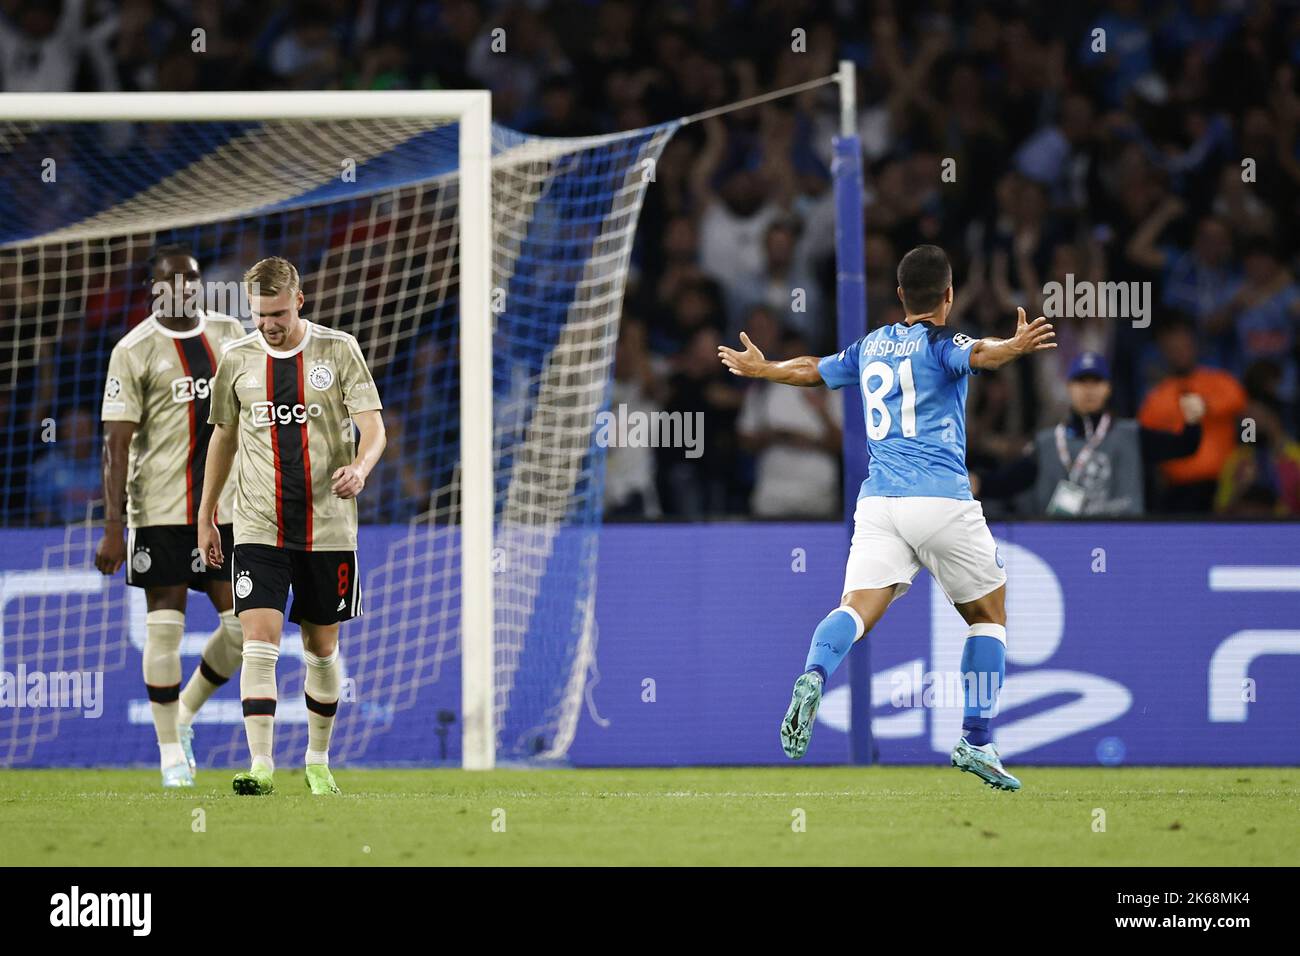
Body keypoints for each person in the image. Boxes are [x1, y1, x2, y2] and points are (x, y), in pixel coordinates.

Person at [719, 244, 1056, 791]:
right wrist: (1015, 346)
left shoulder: (873, 344)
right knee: (988, 617)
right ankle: (975, 738)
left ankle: (813, 674)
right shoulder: (943, 341)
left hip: (878, 505)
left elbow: (813, 370)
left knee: (854, 610)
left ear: (901, 296)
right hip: (941, 500)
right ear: (948, 295)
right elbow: (981, 355)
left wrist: (762, 368)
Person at [197, 257, 386, 796]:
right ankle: (261, 765)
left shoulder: (339, 349)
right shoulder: (236, 359)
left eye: (278, 312)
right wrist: (207, 514)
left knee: (321, 648)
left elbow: (374, 430)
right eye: (260, 314)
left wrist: (360, 468)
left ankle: (318, 761)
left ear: (299, 301)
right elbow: (222, 440)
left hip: (327, 527)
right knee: (259, 639)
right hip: (257, 522)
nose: (269, 324)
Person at [94, 245, 247, 788]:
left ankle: (183, 713)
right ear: (152, 289)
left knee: (244, 631)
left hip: (225, 511)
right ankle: (169, 756)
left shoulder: (230, 335)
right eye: (171, 280)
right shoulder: (133, 350)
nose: (184, 286)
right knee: (164, 631)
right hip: (160, 509)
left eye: (192, 278)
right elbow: (116, 442)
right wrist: (114, 525)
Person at [973, 352, 1206, 516]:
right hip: (1065, 546)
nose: (1089, 389)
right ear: (1069, 388)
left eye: (1096, 382)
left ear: (1108, 389)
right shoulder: (1048, 443)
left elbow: (1184, 447)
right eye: (1081, 382)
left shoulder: (1131, 435)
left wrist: (1192, 423)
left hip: (1123, 543)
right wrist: (978, 483)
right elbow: (1008, 481)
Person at [1138, 316, 1248, 512]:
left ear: (1194, 345)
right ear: (1163, 351)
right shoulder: (1156, 397)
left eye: (1184, 346)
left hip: (1225, 487)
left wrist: (1205, 405)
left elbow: (1240, 403)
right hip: (1178, 491)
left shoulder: (1220, 381)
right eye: (1173, 349)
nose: (1180, 353)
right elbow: (1146, 439)